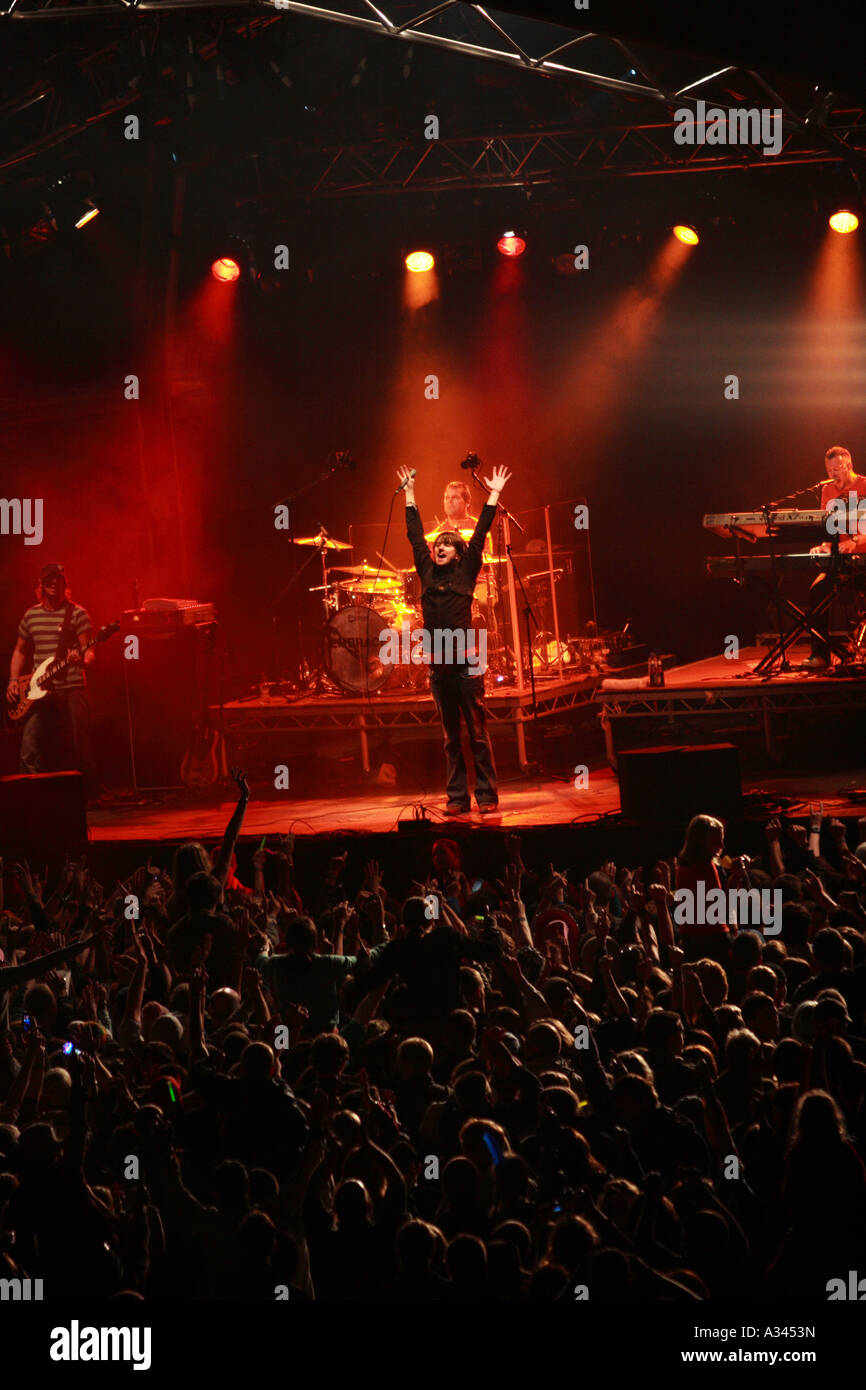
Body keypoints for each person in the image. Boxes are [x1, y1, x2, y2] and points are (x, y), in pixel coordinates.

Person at [398, 463, 511, 815]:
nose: (440, 546)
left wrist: (493, 494)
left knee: (477, 734)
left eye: (447, 544)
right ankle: (457, 799)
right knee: (451, 739)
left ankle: (488, 797)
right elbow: (416, 535)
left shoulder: (466, 572)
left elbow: (479, 534)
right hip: (439, 667)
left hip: (467, 665)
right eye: (439, 544)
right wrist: (409, 493)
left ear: (459, 554)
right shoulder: (427, 571)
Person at [6, 562, 97, 793]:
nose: (53, 583)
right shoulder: (31, 615)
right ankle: (30, 797)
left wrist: (83, 660)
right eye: (49, 580)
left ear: (65, 583)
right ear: (41, 585)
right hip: (39, 688)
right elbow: (19, 650)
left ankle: (87, 795)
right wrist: (13, 680)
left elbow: (89, 650)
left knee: (80, 744)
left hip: (72, 685)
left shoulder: (77, 613)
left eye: (58, 579)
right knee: (29, 745)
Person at [806, 446, 866, 669]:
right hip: (842, 562)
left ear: (849, 466)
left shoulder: (865, 486)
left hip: (864, 557)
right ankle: (820, 655)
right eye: (829, 470)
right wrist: (825, 546)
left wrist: (857, 541)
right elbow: (829, 528)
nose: (833, 475)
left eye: (837, 469)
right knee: (817, 590)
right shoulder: (827, 491)